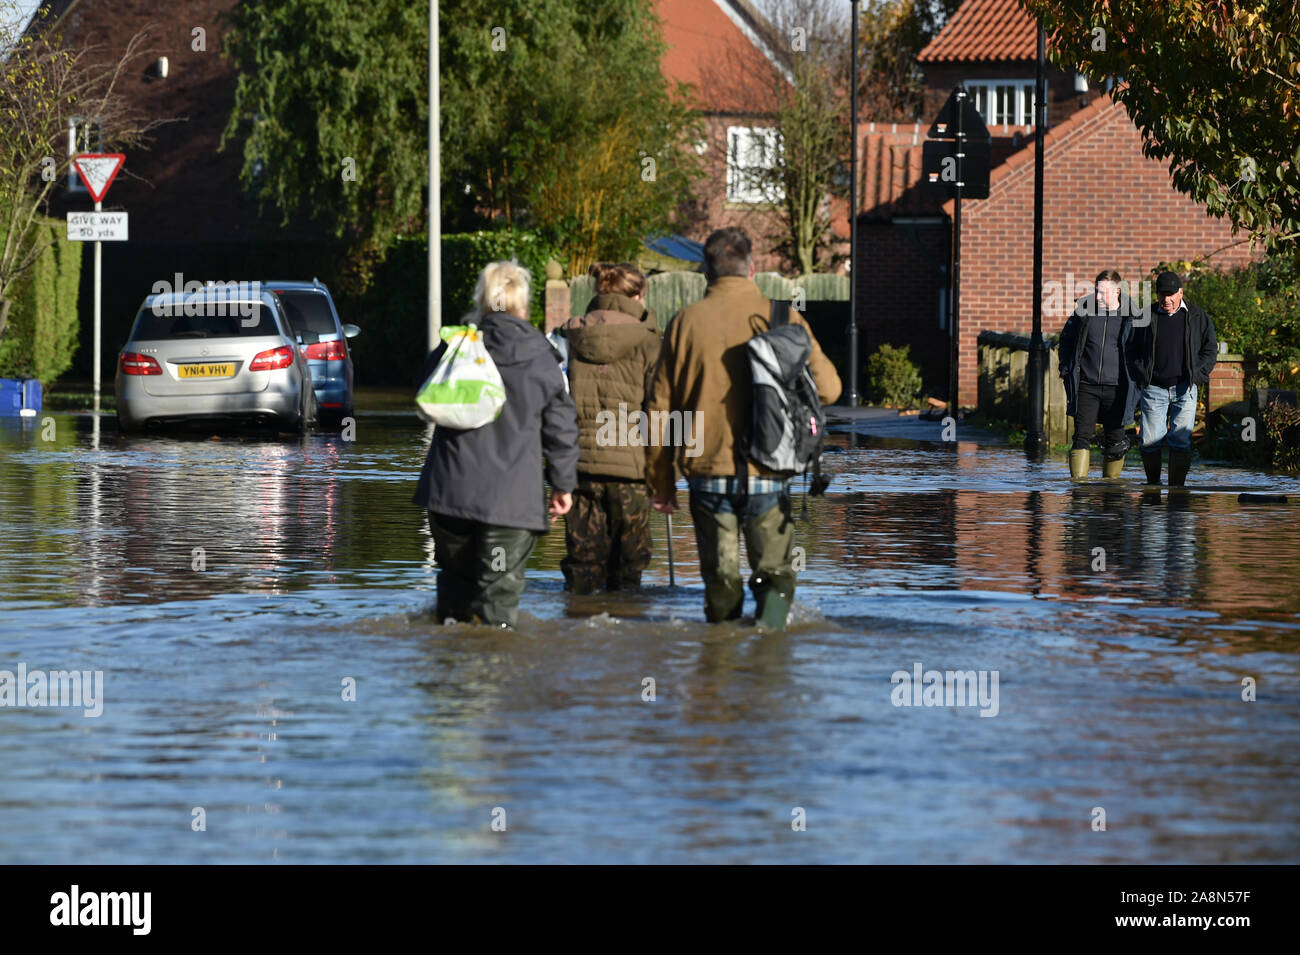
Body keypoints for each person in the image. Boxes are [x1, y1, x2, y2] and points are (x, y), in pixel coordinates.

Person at [646, 227, 841, 629]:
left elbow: (660, 410)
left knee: (721, 578)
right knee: (775, 576)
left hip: (706, 473)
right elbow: (831, 389)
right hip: (769, 469)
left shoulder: (685, 322)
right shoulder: (784, 317)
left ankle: (720, 658)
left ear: (707, 273)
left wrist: (661, 480)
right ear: (752, 270)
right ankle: (766, 657)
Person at [413, 260, 579, 627]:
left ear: (483, 300)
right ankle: (490, 674)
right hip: (510, 503)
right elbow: (561, 429)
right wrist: (563, 484)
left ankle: (450, 675)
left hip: (450, 496)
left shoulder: (455, 348)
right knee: (497, 599)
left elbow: (423, 395)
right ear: (523, 305)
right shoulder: (542, 360)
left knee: (454, 594)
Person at [559, 262, 662, 594]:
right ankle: (624, 636)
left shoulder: (573, 337)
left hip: (580, 469)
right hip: (631, 474)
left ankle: (577, 634)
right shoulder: (650, 342)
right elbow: (659, 410)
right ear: (639, 294)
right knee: (628, 571)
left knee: (582, 569)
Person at [1127, 270, 1217, 487]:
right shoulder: (1145, 317)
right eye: (1161, 294)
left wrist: (1199, 374)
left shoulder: (1197, 316)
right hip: (1154, 387)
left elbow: (1210, 348)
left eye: (1171, 294)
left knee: (1180, 441)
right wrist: (1141, 376)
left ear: (1181, 292)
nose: (1166, 299)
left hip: (1185, 388)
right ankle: (1153, 486)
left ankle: (1177, 489)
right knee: (1149, 441)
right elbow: (1131, 349)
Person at [1057, 269, 1139, 480]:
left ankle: (1111, 491)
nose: (1099, 297)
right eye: (1097, 291)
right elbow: (1066, 341)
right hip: (1087, 385)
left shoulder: (1132, 317)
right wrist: (1066, 368)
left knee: (1115, 439)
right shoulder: (1084, 314)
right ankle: (1079, 487)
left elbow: (1143, 349)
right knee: (1081, 436)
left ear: (1118, 291)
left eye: (1104, 292)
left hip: (1118, 387)